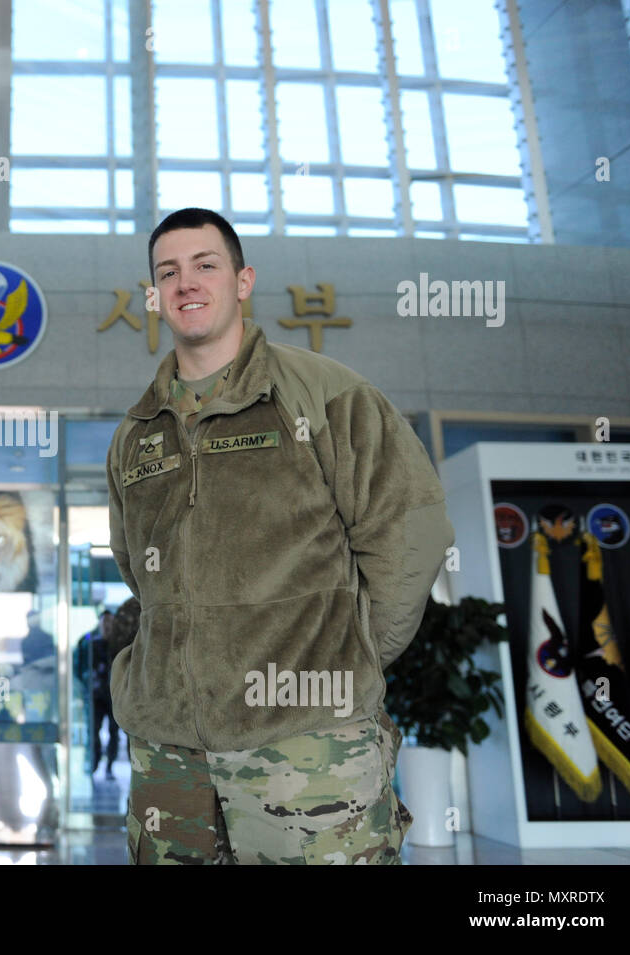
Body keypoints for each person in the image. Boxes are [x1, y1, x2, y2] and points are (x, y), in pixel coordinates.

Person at [107, 207, 453, 865]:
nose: (186, 283)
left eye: (205, 265)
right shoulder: (138, 431)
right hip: (170, 758)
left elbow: (409, 533)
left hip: (307, 751)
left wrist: (349, 657)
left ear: (242, 280)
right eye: (167, 272)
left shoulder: (324, 395)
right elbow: (140, 568)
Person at [74, 610, 113, 773]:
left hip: (113, 696)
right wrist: (85, 683)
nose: (107, 625)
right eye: (104, 622)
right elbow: (77, 665)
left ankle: (109, 767)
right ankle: (93, 764)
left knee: (114, 733)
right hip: (95, 694)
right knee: (93, 732)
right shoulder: (88, 640)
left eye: (110, 622)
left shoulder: (119, 641)